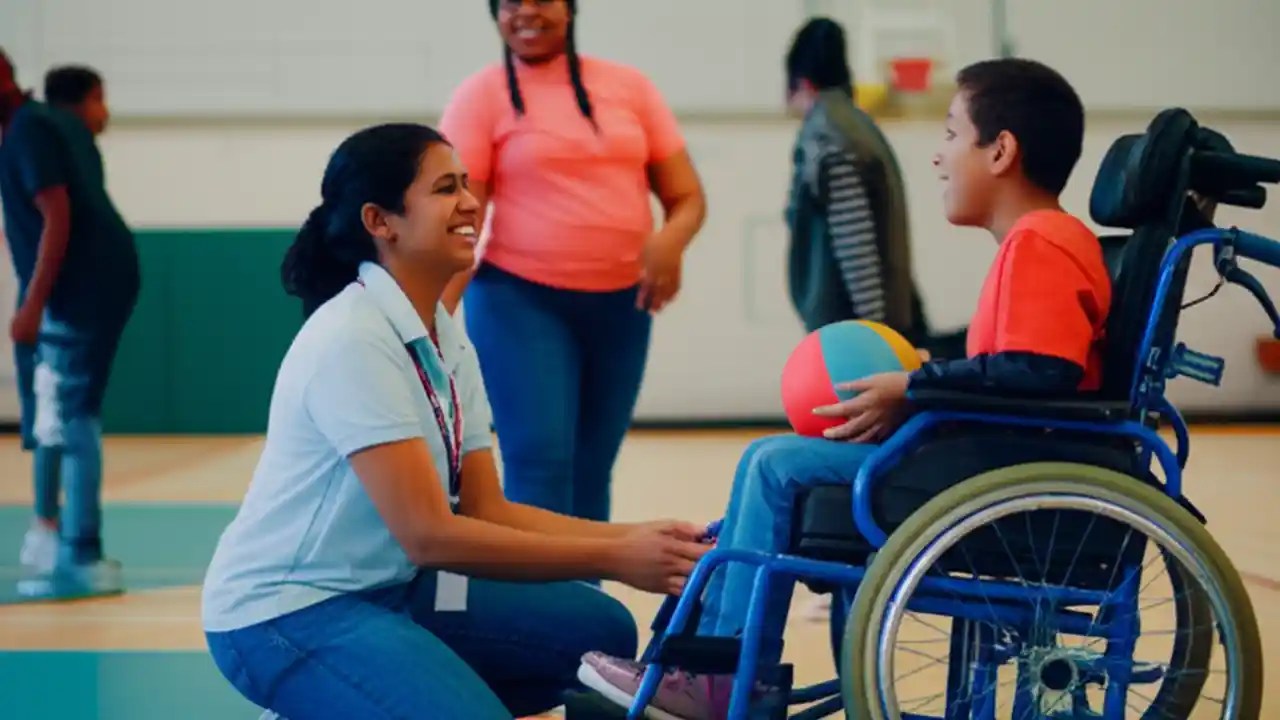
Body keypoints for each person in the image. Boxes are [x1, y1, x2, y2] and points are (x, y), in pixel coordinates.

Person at [577, 57, 1111, 719]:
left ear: (1000, 150)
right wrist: (924, 371)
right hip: (991, 464)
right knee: (768, 462)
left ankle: (723, 673)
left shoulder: (1041, 243)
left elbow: (1041, 372)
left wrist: (916, 386)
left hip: (1002, 481)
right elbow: (1021, 366)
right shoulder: (1037, 243)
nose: (939, 157)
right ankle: (708, 662)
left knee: (776, 465)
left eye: (950, 134)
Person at [200, 122, 711, 720]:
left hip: (397, 590)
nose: (471, 202)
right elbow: (429, 535)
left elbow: (487, 509)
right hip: (289, 612)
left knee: (598, 630)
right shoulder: (352, 339)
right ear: (379, 221)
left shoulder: (443, 336)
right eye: (445, 188)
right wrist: (613, 559)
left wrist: (638, 537)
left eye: (466, 184)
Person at [436, 0, 707, 523]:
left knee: (590, 468)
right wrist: (429, 316)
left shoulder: (630, 87)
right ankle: (535, 604)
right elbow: (457, 216)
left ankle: (585, 604)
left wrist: (670, 241)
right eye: (511, 3)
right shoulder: (481, 95)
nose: (526, 13)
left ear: (570, 8)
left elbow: (688, 197)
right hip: (518, 300)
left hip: (622, 306)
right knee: (540, 462)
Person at [0, 52, 139, 598]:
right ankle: (50, 532)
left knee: (72, 417)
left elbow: (58, 214)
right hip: (92, 286)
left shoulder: (32, 130)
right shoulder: (49, 126)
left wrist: (33, 304)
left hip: (78, 293)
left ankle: (81, 554)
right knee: (57, 411)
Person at [783, 18, 967, 360]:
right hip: (873, 323)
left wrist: (878, 337)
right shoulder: (857, 126)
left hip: (853, 333)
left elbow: (856, 246)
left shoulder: (828, 136)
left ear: (801, 83)